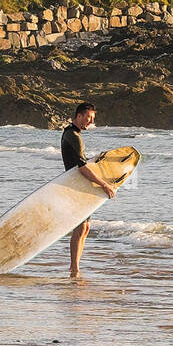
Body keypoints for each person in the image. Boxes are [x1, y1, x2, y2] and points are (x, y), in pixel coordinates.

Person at [61, 102, 116, 278]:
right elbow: (81, 167)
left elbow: (82, 163)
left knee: (85, 227)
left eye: (92, 119)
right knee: (80, 227)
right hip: (76, 186)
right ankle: (74, 269)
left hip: (80, 185)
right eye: (88, 118)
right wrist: (104, 184)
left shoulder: (72, 133)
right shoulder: (73, 135)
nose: (90, 122)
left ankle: (75, 267)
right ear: (79, 116)